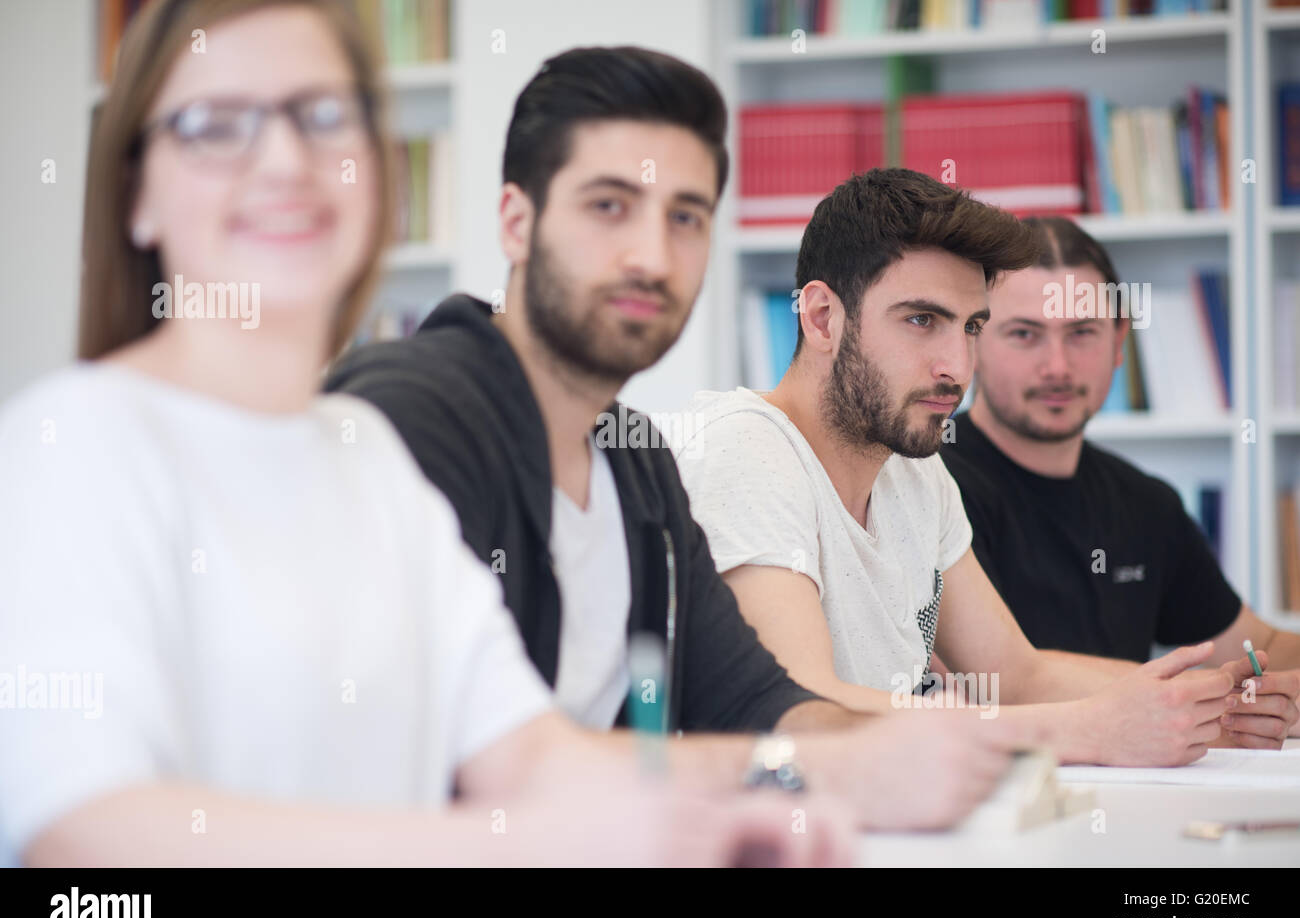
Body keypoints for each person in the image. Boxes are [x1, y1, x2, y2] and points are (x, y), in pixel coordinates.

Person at [0, 0, 851, 867]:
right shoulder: (71, 442)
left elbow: (531, 757)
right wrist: (515, 844)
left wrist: (759, 794)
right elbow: (83, 834)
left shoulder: (365, 458)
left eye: (325, 116)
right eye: (218, 125)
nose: (287, 159)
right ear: (136, 193)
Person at [325, 46, 1031, 827]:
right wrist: (819, 766)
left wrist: (900, 754)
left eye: (685, 217)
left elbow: (760, 702)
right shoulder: (412, 422)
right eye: (608, 206)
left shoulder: (637, 463)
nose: (653, 257)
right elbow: (460, 768)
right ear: (517, 224)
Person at [672, 167, 1274, 767]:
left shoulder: (914, 469)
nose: (957, 367)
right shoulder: (742, 449)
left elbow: (1015, 675)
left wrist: (1215, 709)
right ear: (823, 318)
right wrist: (1086, 730)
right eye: (921, 320)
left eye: (972, 328)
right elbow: (798, 705)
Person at [938, 215, 1300, 748]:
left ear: (1117, 342)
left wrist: (1281, 688)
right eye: (1025, 334)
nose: (1057, 366)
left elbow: (1257, 644)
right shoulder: (930, 485)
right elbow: (991, 683)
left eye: (1081, 332)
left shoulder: (1146, 503)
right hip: (1002, 801)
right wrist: (1218, 699)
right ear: (973, 341)